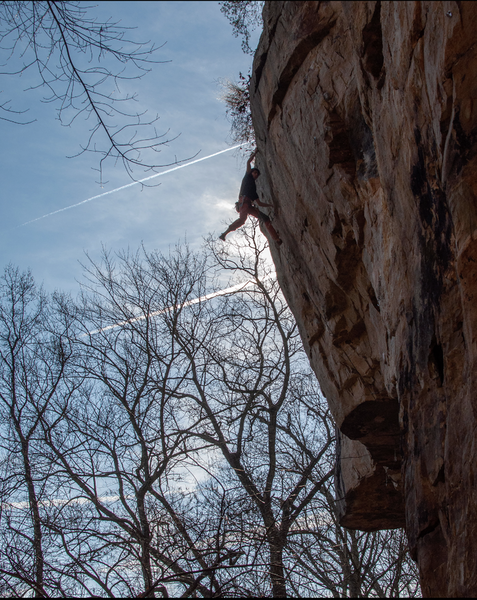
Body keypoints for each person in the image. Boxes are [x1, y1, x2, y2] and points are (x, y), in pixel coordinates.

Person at [219, 149, 282, 244]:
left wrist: (271, 205)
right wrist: (255, 153)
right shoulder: (247, 177)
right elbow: (248, 162)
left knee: (265, 218)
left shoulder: (254, 190)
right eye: (255, 172)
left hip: (249, 207)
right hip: (243, 204)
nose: (256, 175)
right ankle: (224, 234)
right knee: (242, 220)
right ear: (251, 172)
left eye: (257, 174)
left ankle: (276, 239)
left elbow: (259, 203)